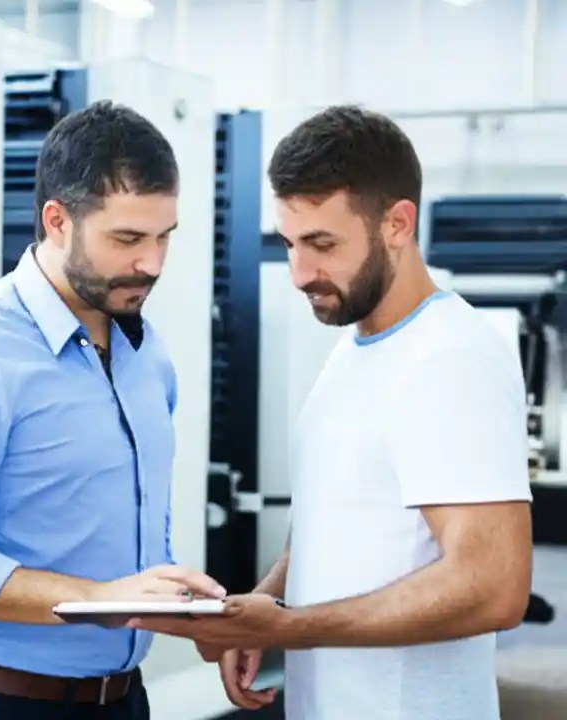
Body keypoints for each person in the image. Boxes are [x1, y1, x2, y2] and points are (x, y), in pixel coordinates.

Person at [131, 105, 533, 719]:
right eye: (291, 243)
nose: (299, 273)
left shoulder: (452, 359)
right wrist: (263, 611)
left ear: (398, 223)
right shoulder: (356, 347)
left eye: (322, 244)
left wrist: (291, 628)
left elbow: (494, 587)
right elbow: (336, 516)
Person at [0, 100, 226, 720]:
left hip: (122, 699)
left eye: (163, 237)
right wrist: (96, 598)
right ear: (57, 220)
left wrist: (193, 615)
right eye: (126, 239)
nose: (151, 263)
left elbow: (129, 538)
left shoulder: (147, 354)